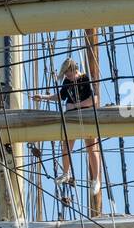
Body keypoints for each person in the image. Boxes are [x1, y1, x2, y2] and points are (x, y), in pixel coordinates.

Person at [38, 57, 102, 195]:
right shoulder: (67, 82)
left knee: (91, 148)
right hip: (72, 117)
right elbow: (60, 96)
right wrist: (43, 97)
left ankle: (96, 179)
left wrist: (75, 105)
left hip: (87, 116)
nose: (67, 77)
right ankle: (66, 173)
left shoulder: (86, 79)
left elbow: (94, 99)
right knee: (66, 147)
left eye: (68, 74)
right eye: (65, 75)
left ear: (74, 70)